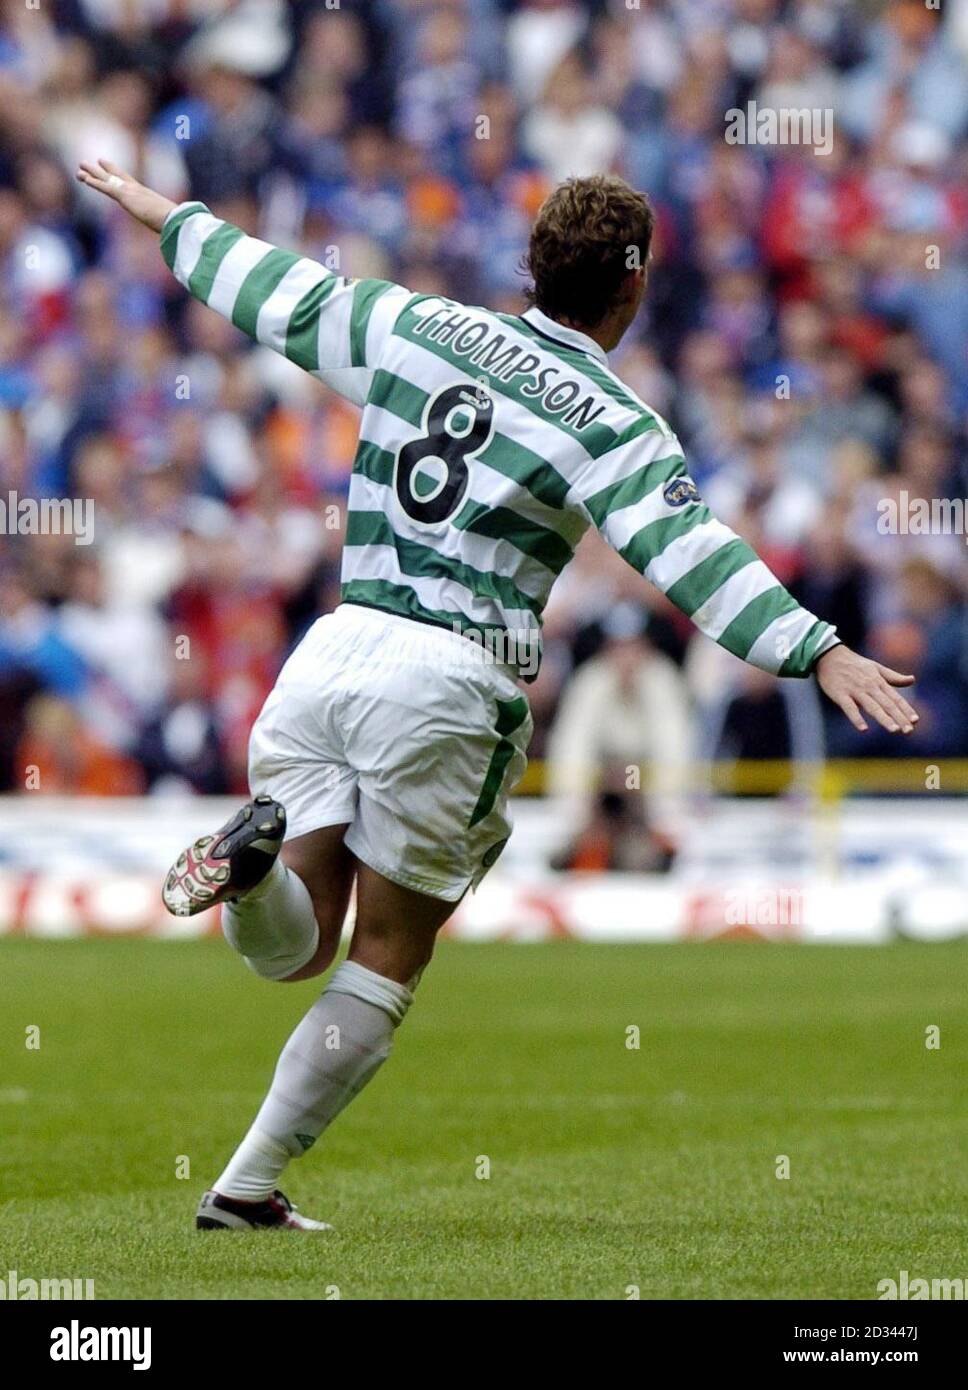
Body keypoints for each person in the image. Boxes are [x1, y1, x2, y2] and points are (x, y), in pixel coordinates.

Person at [76, 157, 920, 1232]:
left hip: (334, 649)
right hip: (448, 675)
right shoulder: (615, 423)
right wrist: (815, 647)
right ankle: (243, 1184)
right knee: (387, 949)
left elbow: (273, 288)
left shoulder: (411, 323)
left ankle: (247, 880)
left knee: (295, 942)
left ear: (530, 264)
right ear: (631, 288)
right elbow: (691, 556)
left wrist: (167, 215)